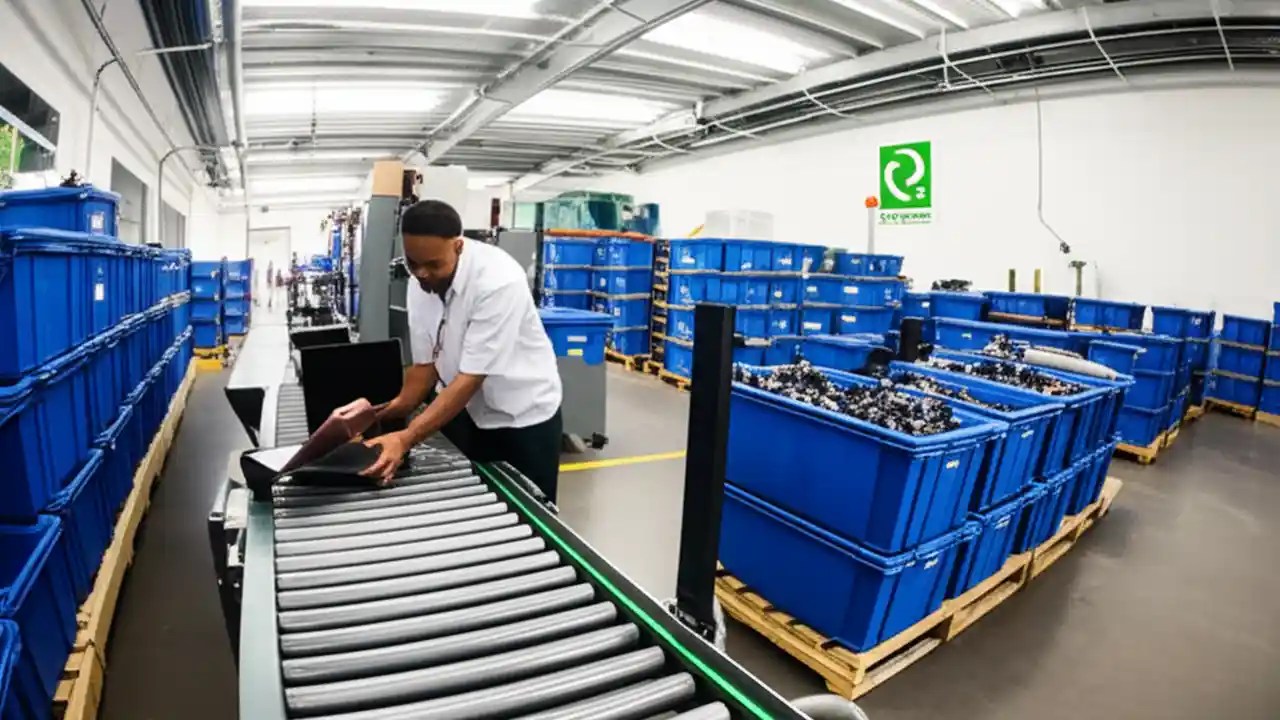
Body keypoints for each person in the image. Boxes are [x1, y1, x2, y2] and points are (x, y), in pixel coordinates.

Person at [363, 199, 564, 500]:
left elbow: (471, 378)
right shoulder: (420, 276)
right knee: (477, 500)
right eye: (412, 262)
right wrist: (382, 412)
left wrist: (406, 438)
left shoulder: (498, 282)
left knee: (529, 512)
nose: (422, 274)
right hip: (467, 412)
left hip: (521, 419)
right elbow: (426, 365)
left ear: (458, 246)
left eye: (433, 264)